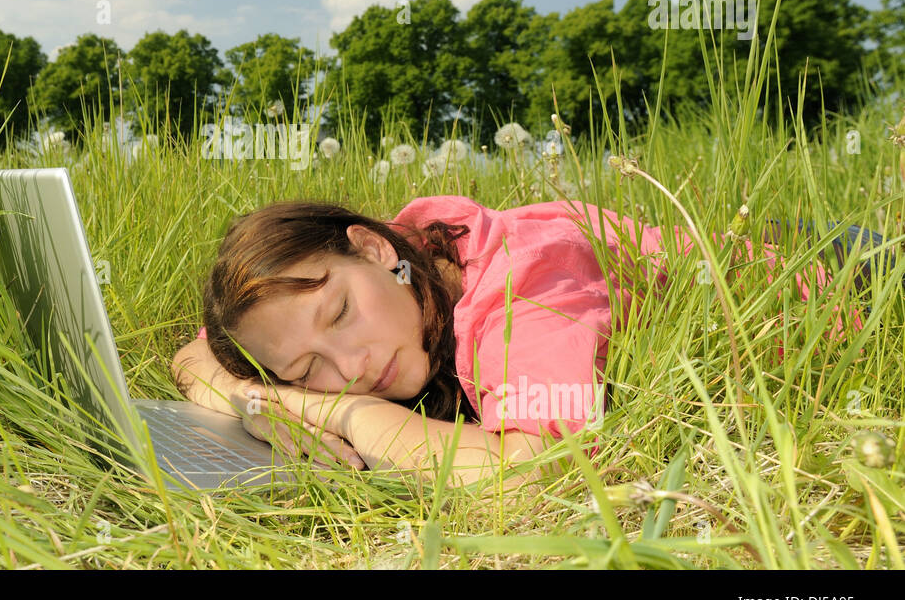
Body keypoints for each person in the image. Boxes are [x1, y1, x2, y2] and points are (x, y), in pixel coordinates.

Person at [170, 195, 877, 488]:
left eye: (340, 314)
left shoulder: (519, 289)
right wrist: (252, 398)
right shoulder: (399, 269)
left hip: (845, 285)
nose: (351, 365)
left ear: (370, 248)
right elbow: (195, 352)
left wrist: (347, 414)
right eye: (308, 368)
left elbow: (540, 468)